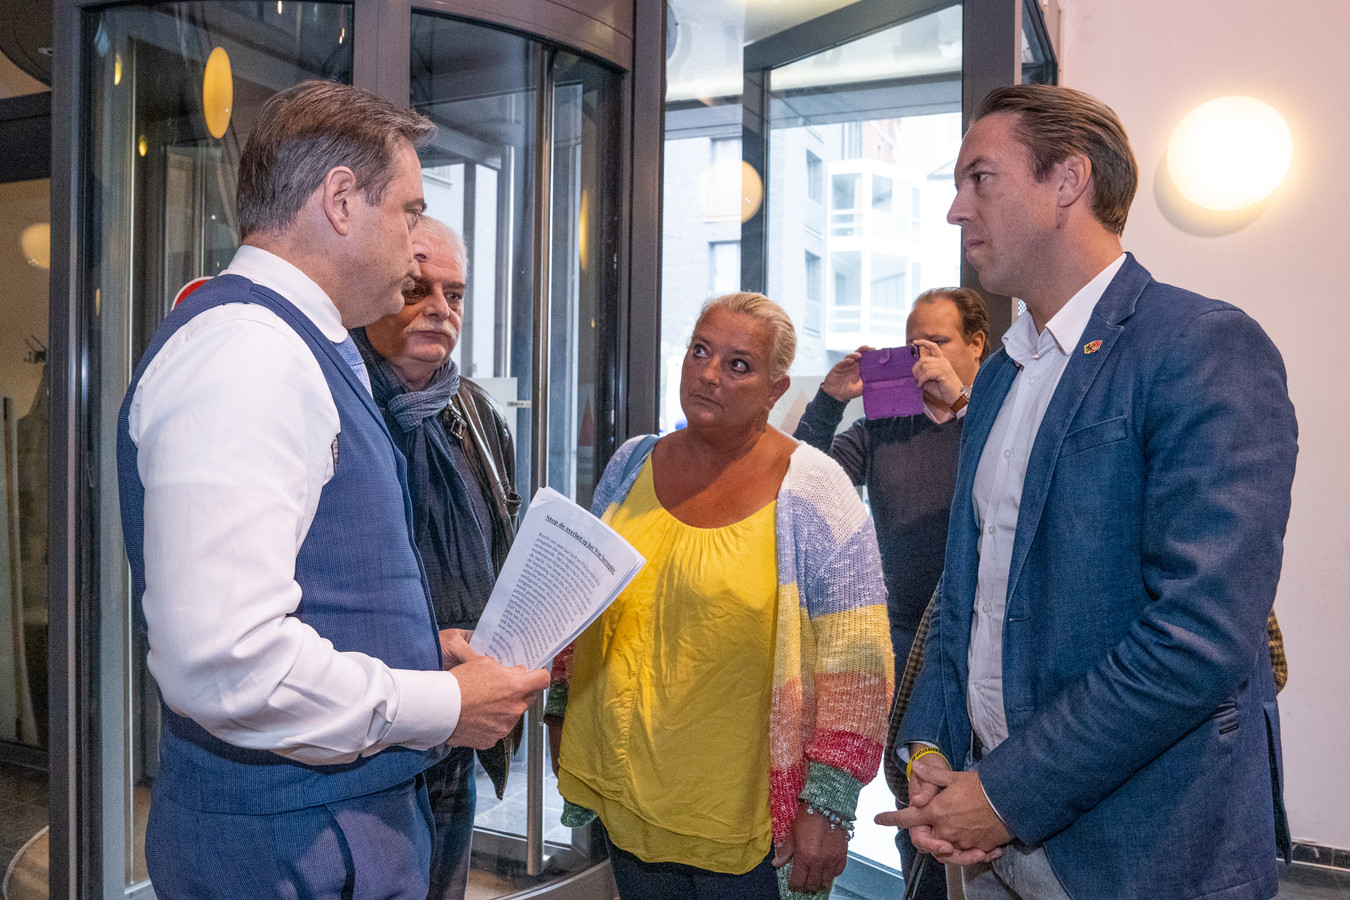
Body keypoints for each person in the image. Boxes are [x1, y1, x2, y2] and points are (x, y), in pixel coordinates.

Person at [116, 81, 549, 900]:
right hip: (289, 853)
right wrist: (440, 700)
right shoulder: (249, 355)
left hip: (321, 842)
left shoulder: (290, 347)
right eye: (411, 212)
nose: (416, 244)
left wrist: (427, 651)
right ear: (341, 201)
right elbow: (229, 667)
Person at [879, 84, 1297, 900]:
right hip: (991, 841)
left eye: (981, 179)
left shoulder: (1203, 345)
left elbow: (1198, 637)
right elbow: (964, 596)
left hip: (1145, 851)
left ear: (1067, 181)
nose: (957, 211)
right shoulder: (999, 375)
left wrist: (1006, 795)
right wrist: (930, 747)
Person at [546, 293, 892, 900]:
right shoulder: (631, 464)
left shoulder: (814, 490)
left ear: (775, 390)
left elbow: (857, 663)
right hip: (626, 797)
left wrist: (831, 804)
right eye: (700, 351)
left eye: (739, 365)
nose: (708, 374)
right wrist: (558, 708)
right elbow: (581, 604)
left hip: (742, 828)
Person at [794, 286, 988, 900]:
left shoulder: (996, 415)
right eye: (913, 343)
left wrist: (959, 399)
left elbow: (1018, 475)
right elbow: (805, 475)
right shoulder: (885, 427)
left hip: (986, 640)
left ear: (977, 344)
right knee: (915, 800)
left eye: (940, 341)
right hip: (903, 640)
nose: (923, 354)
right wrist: (830, 400)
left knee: (987, 800)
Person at [355, 216, 521, 900]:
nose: (440, 310)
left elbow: (501, 544)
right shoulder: (340, 403)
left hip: (457, 733)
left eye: (454, 294)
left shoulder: (473, 413)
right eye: (417, 288)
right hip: (363, 736)